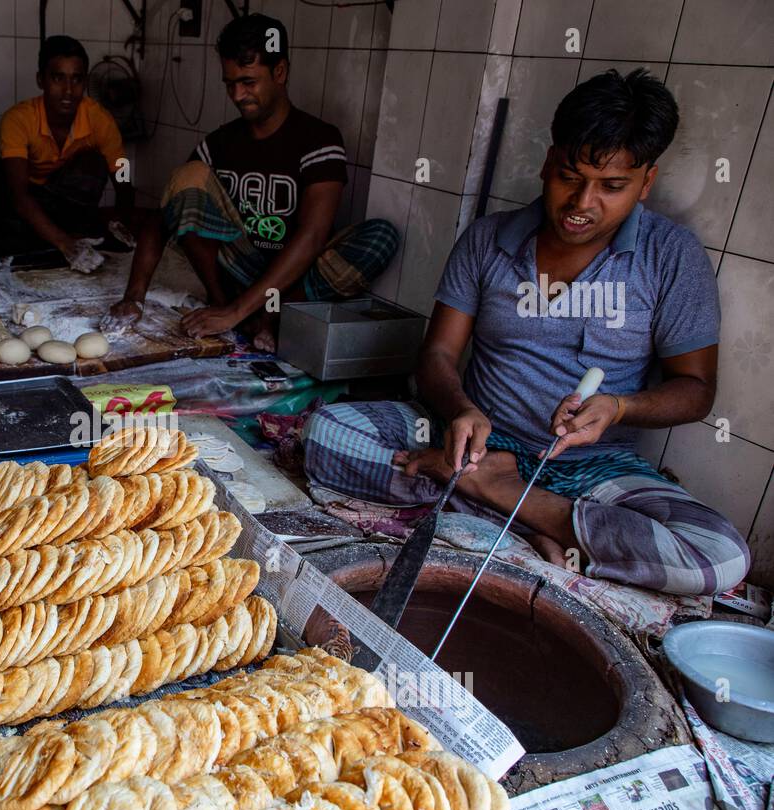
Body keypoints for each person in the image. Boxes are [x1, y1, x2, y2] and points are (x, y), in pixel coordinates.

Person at [301, 69, 750, 596]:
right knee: (325, 435)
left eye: (612, 187)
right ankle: (527, 515)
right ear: (546, 161)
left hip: (592, 468)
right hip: (474, 445)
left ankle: (498, 498)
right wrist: (462, 412)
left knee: (718, 558)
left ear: (646, 182)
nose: (582, 203)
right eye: (569, 176)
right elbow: (438, 355)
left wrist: (620, 408)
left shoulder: (671, 257)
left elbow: (696, 390)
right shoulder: (488, 240)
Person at [108, 13, 398, 349]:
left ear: (280, 72)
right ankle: (232, 310)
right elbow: (162, 219)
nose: (237, 95)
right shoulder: (217, 144)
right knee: (187, 177)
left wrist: (237, 311)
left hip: (291, 279)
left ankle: (267, 315)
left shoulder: (318, 140)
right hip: (236, 273)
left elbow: (314, 234)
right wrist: (134, 297)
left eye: (248, 82)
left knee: (381, 237)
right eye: (229, 83)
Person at [0, 35, 139, 269]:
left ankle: (66, 234)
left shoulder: (100, 119)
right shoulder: (18, 119)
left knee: (93, 162)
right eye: (58, 78)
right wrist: (65, 244)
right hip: (27, 203)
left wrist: (123, 220)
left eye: (76, 79)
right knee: (9, 234)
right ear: (40, 80)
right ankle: (53, 238)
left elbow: (122, 176)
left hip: (65, 205)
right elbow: (19, 195)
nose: (68, 91)